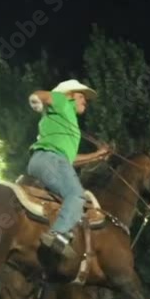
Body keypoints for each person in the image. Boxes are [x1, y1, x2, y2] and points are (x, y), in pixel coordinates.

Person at [26, 79, 111, 262]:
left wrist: (97, 155)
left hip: (45, 160)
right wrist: (36, 100)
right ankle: (57, 234)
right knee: (76, 195)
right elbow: (43, 95)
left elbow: (69, 159)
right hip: (51, 159)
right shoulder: (63, 102)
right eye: (82, 96)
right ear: (70, 95)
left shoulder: (67, 120)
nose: (85, 101)